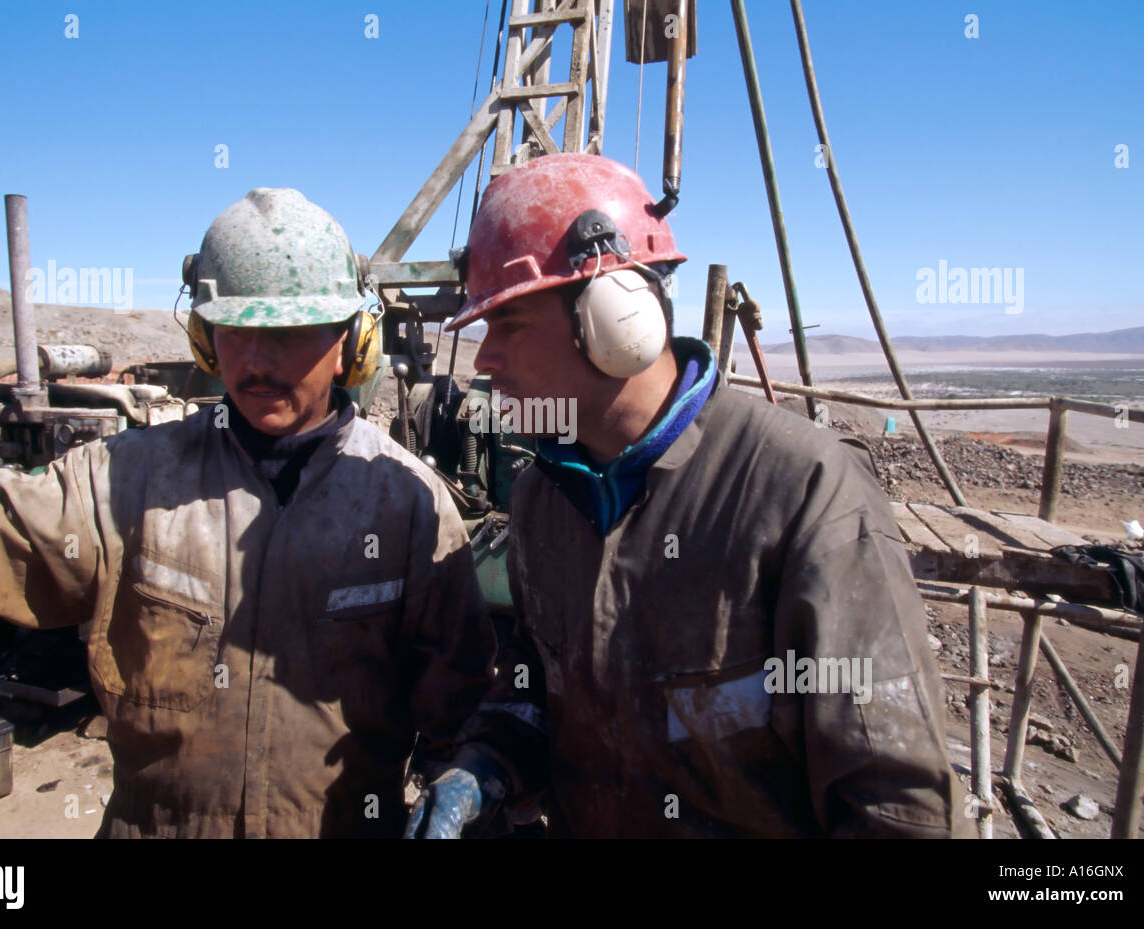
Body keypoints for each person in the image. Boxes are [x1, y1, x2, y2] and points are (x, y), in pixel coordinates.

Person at [0, 188, 494, 838]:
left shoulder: (410, 506)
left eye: (287, 332)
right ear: (204, 338)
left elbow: (468, 712)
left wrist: (469, 783)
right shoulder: (127, 480)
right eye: (235, 330)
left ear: (349, 343)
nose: (257, 361)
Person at [406, 154, 971, 838]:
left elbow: (896, 805)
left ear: (617, 318)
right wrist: (487, 762)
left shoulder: (802, 493)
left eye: (511, 324)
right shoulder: (540, 501)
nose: (484, 360)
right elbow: (534, 679)